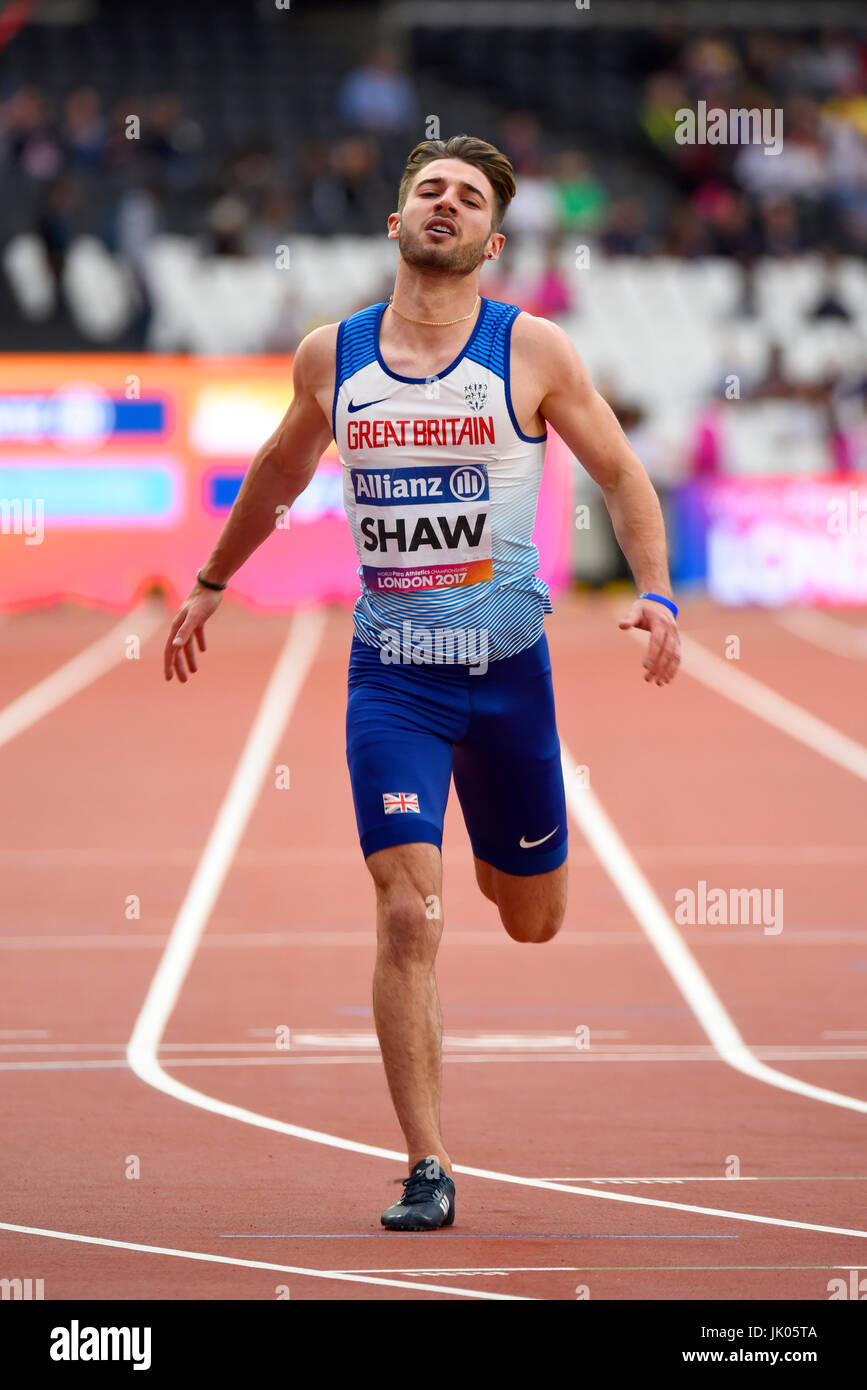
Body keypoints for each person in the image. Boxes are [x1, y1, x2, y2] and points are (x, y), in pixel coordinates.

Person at [164, 135, 681, 1231]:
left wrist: (659, 593)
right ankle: (428, 1163)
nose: (444, 204)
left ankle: (511, 858)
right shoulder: (332, 354)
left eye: (468, 198)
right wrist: (212, 579)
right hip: (393, 678)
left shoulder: (530, 351)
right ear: (396, 221)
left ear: (492, 241)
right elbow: (279, 468)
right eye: (427, 190)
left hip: (508, 677)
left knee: (530, 917)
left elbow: (623, 470)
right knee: (410, 914)